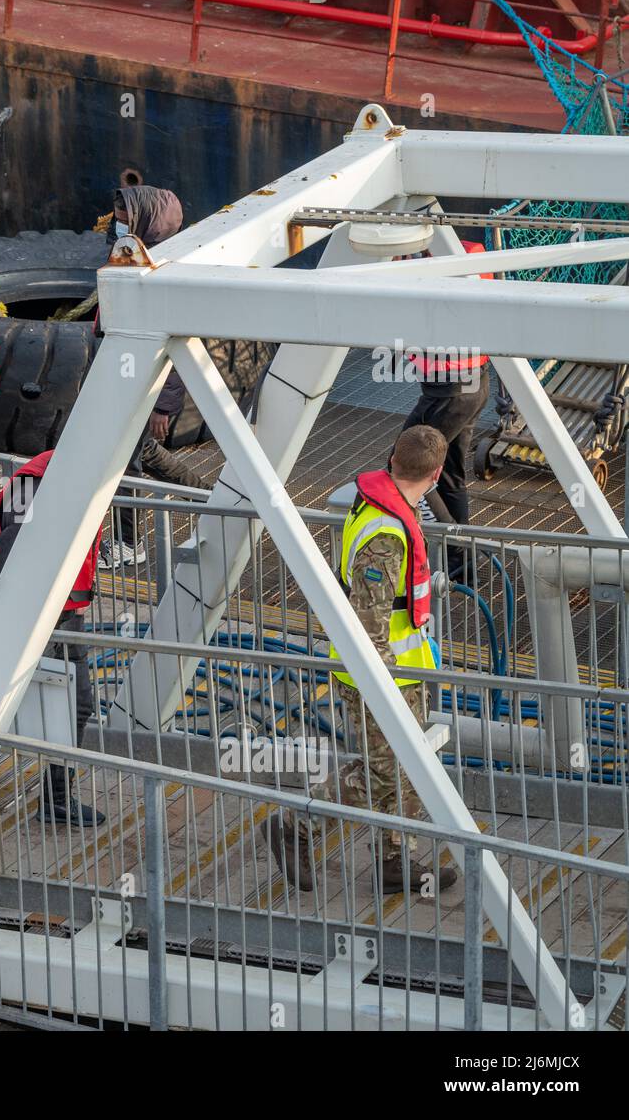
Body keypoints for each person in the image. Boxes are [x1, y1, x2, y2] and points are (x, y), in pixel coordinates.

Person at [265, 425, 459, 894]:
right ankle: (297, 826)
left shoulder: (381, 502)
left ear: (393, 458)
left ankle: (396, 860)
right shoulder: (386, 536)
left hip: (398, 670)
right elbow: (371, 624)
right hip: (379, 676)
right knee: (384, 772)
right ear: (435, 475)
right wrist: (386, 686)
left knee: (404, 769)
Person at [0, 450, 103, 825]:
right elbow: (1, 565)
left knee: (78, 705)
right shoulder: (38, 484)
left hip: (64, 617)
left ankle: (57, 800)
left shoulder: (81, 471)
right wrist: (9, 619)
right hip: (35, 620)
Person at [94, 186, 203, 570]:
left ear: (143, 221)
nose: (115, 226)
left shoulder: (164, 272)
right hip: (124, 380)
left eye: (122, 220)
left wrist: (163, 406)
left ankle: (128, 543)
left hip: (141, 387)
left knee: (127, 462)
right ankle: (210, 497)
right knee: (143, 453)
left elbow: (174, 340)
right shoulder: (133, 259)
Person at [399, 242, 492, 579]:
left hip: (449, 391)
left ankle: (443, 554)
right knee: (450, 474)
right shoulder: (473, 254)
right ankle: (462, 567)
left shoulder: (427, 267)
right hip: (473, 383)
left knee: (405, 467)